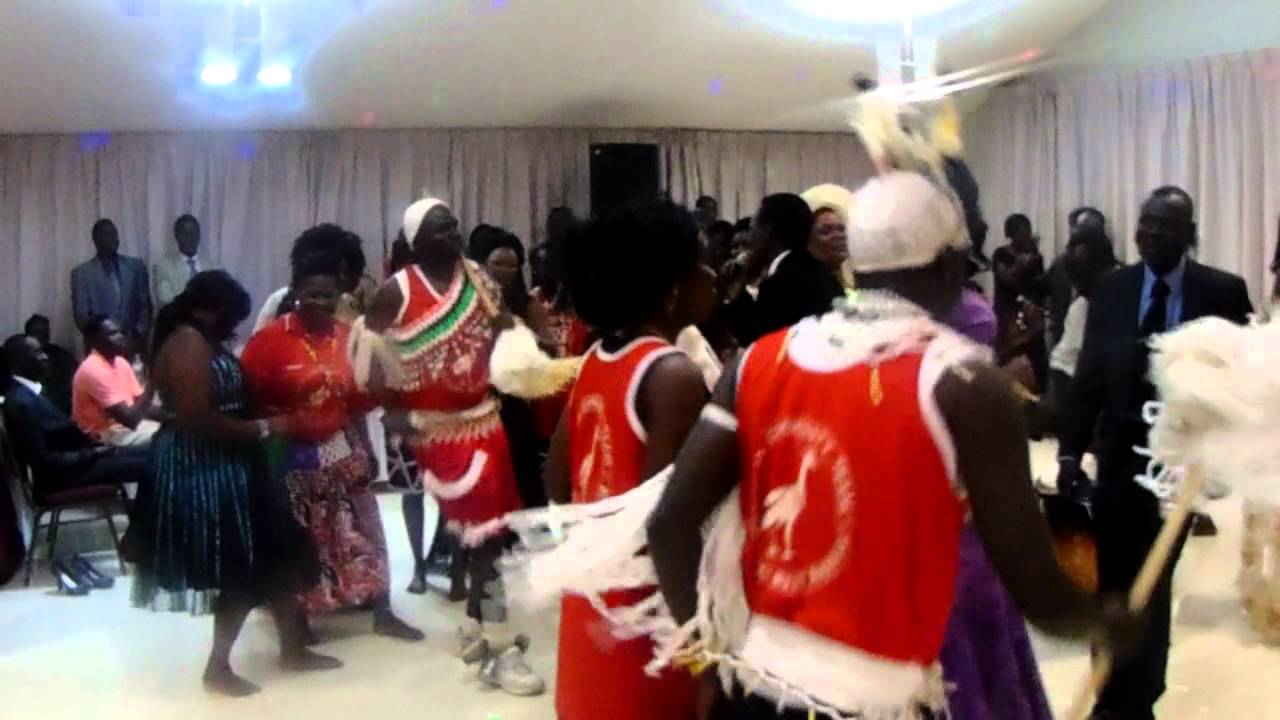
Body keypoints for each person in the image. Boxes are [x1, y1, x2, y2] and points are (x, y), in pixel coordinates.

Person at [646, 171, 1142, 719]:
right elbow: (1036, 590)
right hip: (880, 700)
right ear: (950, 266)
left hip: (761, 685)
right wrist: (1104, 623)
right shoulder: (965, 385)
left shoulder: (756, 361)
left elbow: (668, 523)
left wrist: (707, 661)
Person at [1059, 186, 1253, 720]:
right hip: (1119, 458)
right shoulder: (1113, 289)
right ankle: (1108, 695)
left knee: (1154, 578)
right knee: (1111, 581)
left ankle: (1140, 699)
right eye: (1146, 223)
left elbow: (1239, 380)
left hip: (1178, 468)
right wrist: (1070, 452)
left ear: (1189, 235)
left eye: (1165, 226)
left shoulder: (1222, 292)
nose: (1151, 235)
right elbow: (1090, 375)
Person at [126, 270, 341, 697]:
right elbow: (196, 418)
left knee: (275, 553)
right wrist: (264, 427)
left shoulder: (195, 339)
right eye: (231, 317)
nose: (234, 327)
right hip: (206, 467)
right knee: (240, 565)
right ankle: (217, 667)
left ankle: (293, 647)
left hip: (229, 460)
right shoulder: (189, 343)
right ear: (209, 310)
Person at [365, 197, 542, 696]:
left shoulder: (478, 279)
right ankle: (497, 644)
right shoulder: (397, 290)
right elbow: (370, 352)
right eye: (440, 227)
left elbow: (502, 325)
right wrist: (389, 409)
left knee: (491, 532)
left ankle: (480, 627)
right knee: (486, 535)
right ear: (416, 240)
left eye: (454, 224)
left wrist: (523, 351)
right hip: (435, 428)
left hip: (486, 418)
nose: (452, 231)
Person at [544, 197, 709, 720]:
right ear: (674, 288)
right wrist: (700, 648)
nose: (712, 277)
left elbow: (555, 480)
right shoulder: (673, 375)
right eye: (701, 264)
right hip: (650, 612)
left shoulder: (596, 358)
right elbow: (668, 524)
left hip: (592, 596)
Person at [241, 245, 422, 642]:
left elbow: (357, 400)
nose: (321, 303)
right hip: (290, 457)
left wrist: (367, 448)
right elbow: (251, 402)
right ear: (295, 293)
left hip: (342, 448)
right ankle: (299, 622)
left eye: (328, 296)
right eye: (312, 295)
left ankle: (382, 610)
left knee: (366, 532)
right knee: (306, 539)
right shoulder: (268, 341)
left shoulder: (348, 337)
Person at [2, 334, 148, 499]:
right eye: (38, 353)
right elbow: (43, 462)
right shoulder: (22, 403)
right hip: (61, 477)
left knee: (151, 453)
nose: (45, 357)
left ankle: (146, 510)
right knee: (149, 464)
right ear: (19, 361)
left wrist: (95, 447)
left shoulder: (30, 392)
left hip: (77, 460)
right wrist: (94, 453)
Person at [467, 226, 549, 510]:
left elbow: (549, 348)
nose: (505, 271)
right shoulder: (467, 304)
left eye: (512, 265)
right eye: (498, 263)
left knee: (522, 482)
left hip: (515, 406)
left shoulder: (527, 305)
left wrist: (525, 338)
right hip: (475, 405)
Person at [750, 193, 843, 341]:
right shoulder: (826, 276)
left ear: (767, 232)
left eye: (753, 228)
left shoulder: (780, 286)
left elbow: (765, 347)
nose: (750, 237)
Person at [72, 315, 161, 447]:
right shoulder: (92, 368)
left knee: (177, 429)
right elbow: (130, 420)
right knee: (165, 438)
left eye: (120, 332)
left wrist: (175, 418)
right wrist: (152, 383)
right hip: (102, 437)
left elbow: (142, 406)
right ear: (94, 341)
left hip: (124, 429)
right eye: (112, 334)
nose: (120, 337)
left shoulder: (120, 362)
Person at [71, 219, 153, 348]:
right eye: (107, 235)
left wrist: (137, 334)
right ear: (96, 240)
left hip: (134, 343)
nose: (114, 239)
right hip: (100, 346)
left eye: (115, 234)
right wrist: (108, 337)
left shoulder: (136, 267)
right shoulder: (82, 274)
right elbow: (82, 317)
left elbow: (145, 306)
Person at [993, 213, 1048, 386]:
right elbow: (1005, 278)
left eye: (1028, 231)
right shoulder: (1000, 254)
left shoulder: (1035, 256)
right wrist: (1020, 264)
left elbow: (1040, 285)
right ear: (1011, 234)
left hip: (1030, 312)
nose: (1026, 236)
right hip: (1008, 313)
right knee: (1011, 355)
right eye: (1022, 232)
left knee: (1036, 357)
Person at [1047, 207, 1108, 348]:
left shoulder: (1114, 272)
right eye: (1079, 229)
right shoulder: (1059, 264)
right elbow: (1043, 291)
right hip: (1062, 335)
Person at [23, 314, 76, 414]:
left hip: (58, 410)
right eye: (36, 333)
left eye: (45, 333)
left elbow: (67, 392)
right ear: (27, 336)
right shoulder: (20, 358)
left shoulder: (63, 357)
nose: (41, 337)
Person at [153, 214, 207, 307]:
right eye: (185, 234)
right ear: (176, 236)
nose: (190, 238)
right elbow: (166, 300)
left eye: (194, 233)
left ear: (199, 236)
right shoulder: (163, 267)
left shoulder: (214, 266)